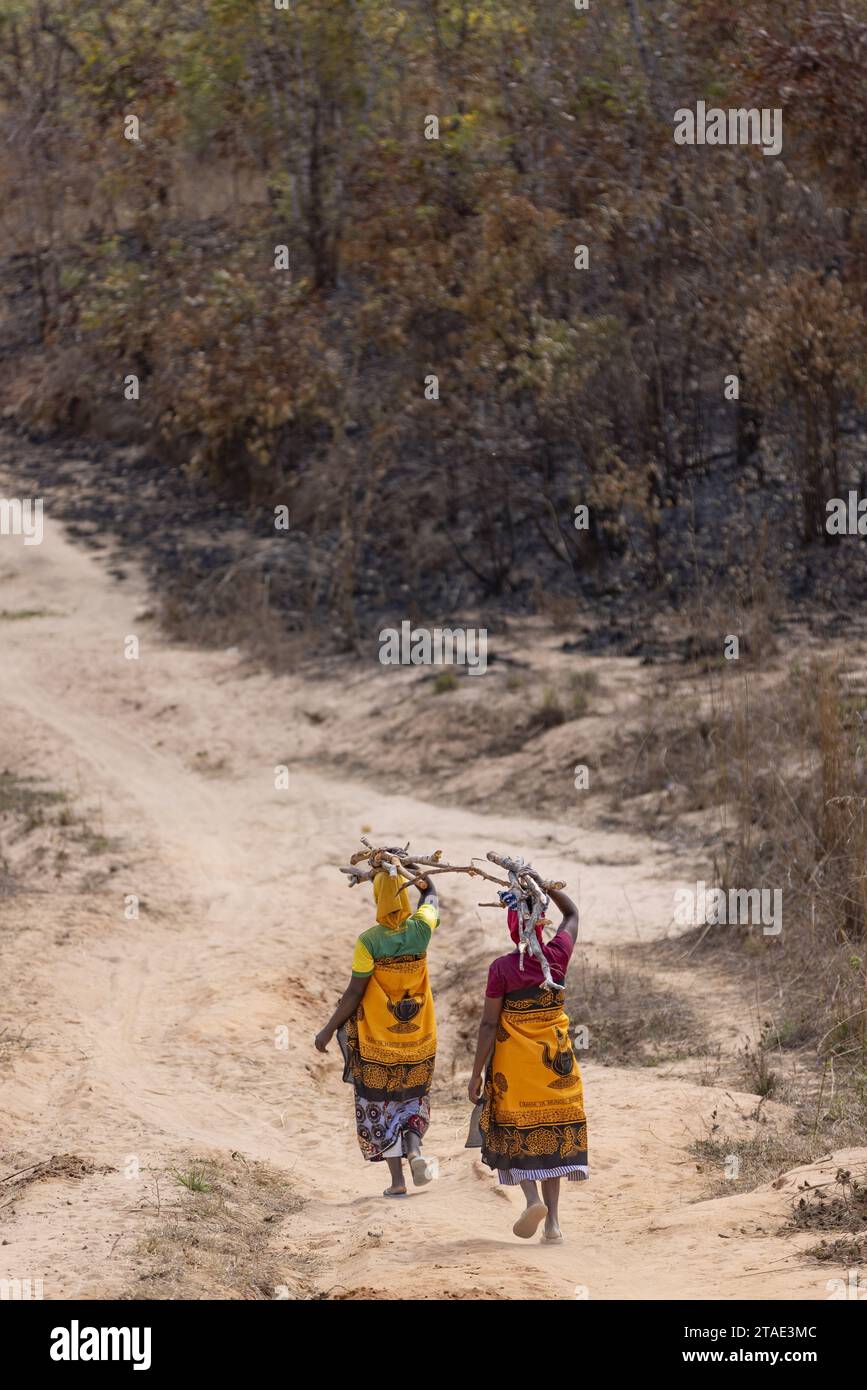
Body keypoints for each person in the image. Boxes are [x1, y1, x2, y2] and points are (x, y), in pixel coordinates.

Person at [467, 882, 586, 1242]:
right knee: (553, 1143)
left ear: (511, 926)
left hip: (514, 1070)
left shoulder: (502, 969)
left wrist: (476, 1075)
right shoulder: (558, 955)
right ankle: (553, 1224)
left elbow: (489, 1023)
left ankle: (532, 1199)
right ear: (540, 922)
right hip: (558, 1070)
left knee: (518, 1136)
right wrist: (546, 885)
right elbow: (573, 914)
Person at [314, 862, 439, 1196]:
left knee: (379, 1106)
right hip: (419, 1038)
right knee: (412, 1099)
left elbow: (355, 992)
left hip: (377, 1043)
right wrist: (414, 873)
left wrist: (328, 1030)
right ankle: (414, 1151)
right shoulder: (421, 929)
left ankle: (398, 1181)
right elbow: (432, 897)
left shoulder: (368, 942)